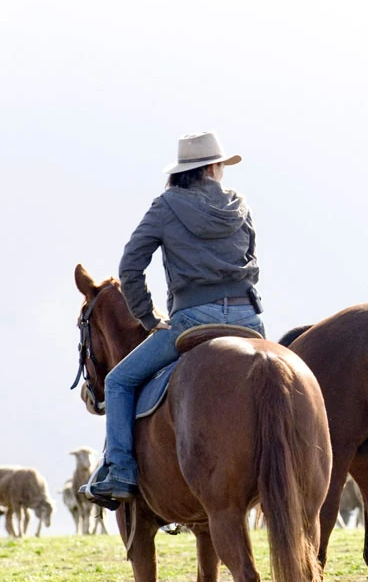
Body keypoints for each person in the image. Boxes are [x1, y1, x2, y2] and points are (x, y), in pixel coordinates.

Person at [83, 131, 265, 502]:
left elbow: (130, 267)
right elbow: (252, 262)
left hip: (191, 320)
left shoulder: (166, 206)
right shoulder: (239, 205)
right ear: (214, 167)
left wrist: (149, 319)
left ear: (183, 171)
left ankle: (119, 470)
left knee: (118, 382)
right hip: (249, 320)